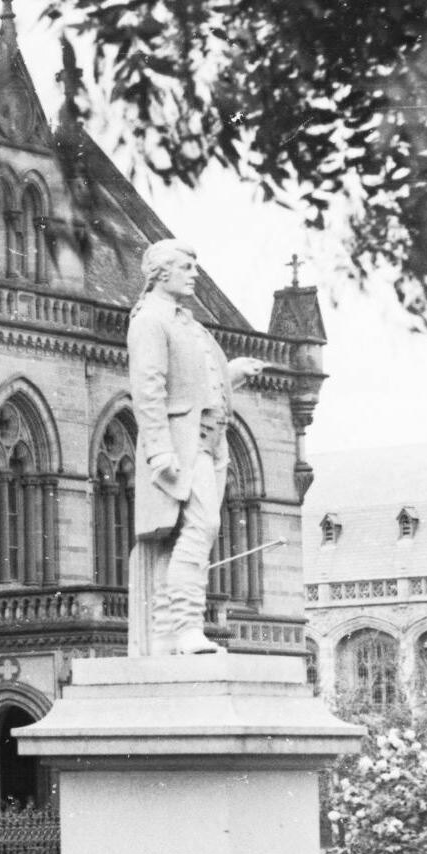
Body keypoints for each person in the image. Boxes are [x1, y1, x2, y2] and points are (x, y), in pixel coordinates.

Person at [125, 240, 266, 656]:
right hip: (180, 446)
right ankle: (184, 628)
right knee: (199, 529)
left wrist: (231, 374)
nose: (195, 274)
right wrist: (158, 451)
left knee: (197, 531)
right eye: (186, 267)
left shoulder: (187, 322)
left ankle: (179, 630)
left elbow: (194, 378)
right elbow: (148, 388)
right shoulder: (150, 319)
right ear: (161, 272)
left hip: (207, 445)